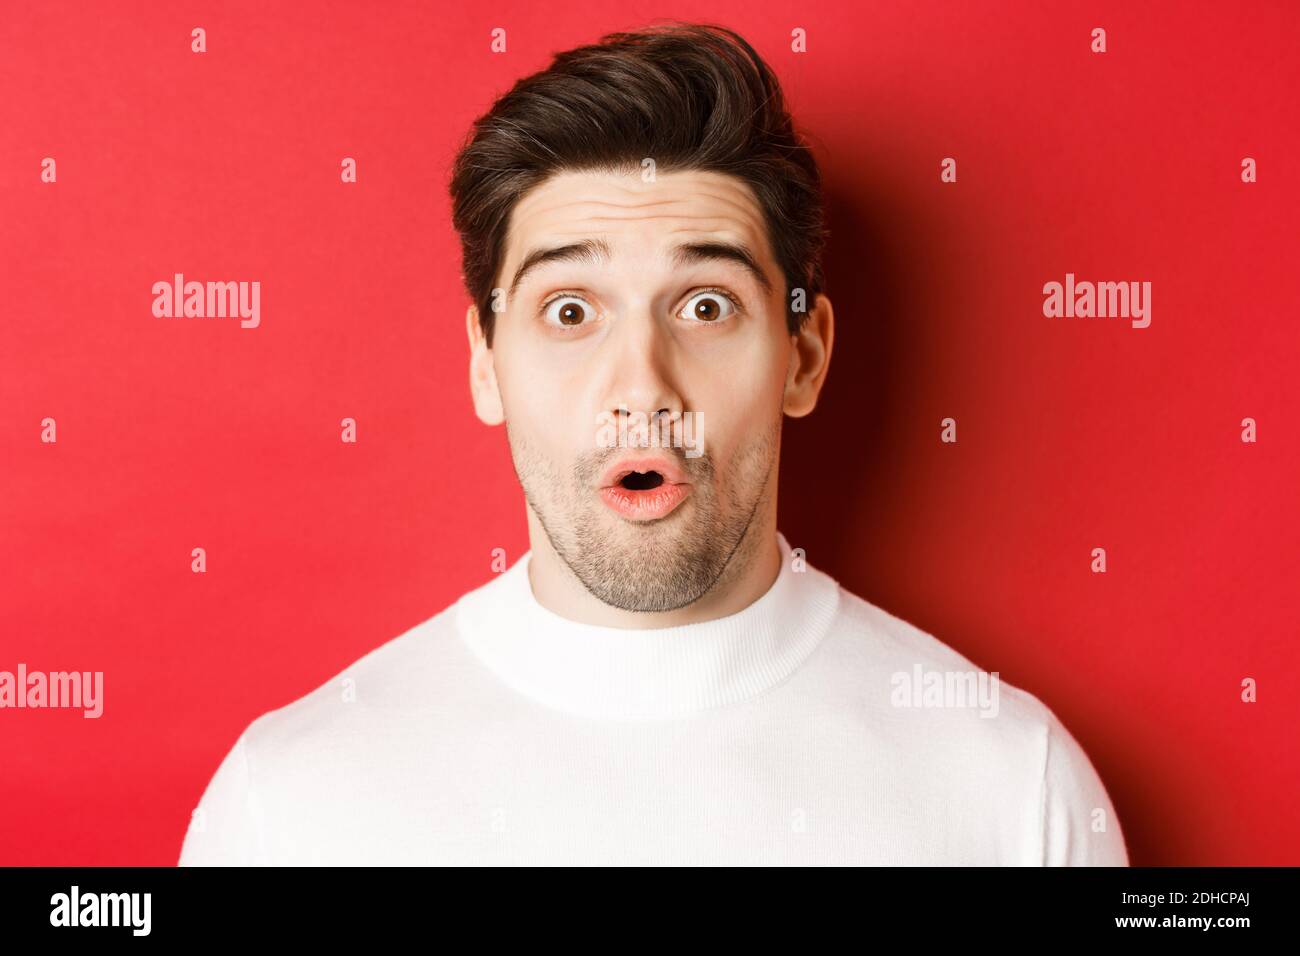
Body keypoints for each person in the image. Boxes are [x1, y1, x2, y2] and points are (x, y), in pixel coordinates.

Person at [178, 21, 1128, 866]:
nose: (640, 387)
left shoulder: (1011, 789)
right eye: (569, 309)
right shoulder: (291, 807)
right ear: (485, 363)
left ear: (802, 358)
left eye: (706, 306)